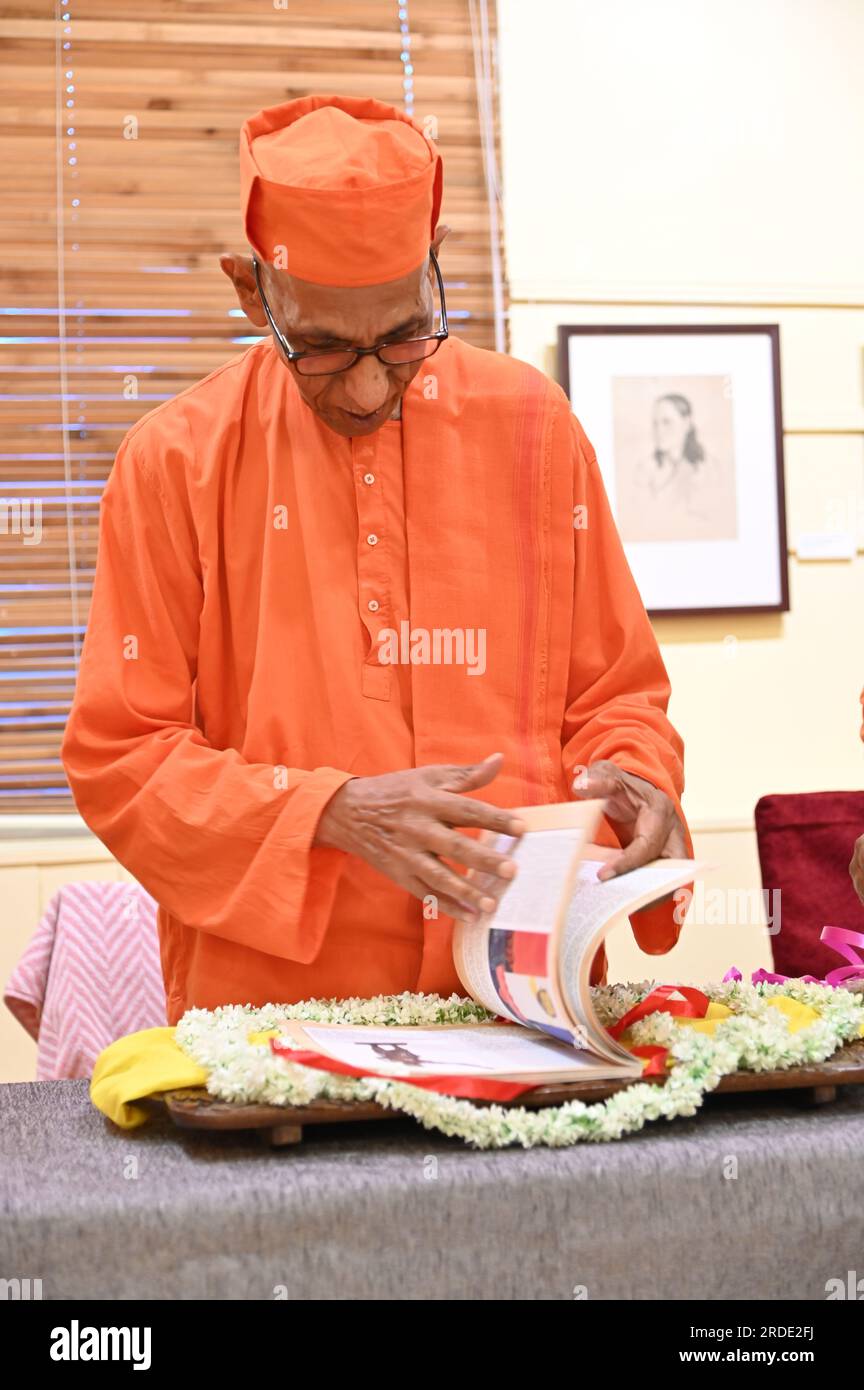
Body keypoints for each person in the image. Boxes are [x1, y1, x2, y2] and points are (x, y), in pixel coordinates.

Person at [61, 94, 691, 1025]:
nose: (366, 387)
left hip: (526, 987)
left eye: (399, 338)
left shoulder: (532, 426)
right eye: (321, 348)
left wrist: (640, 783)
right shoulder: (175, 461)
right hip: (281, 1012)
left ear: (432, 274)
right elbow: (122, 755)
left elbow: (616, 698)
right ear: (252, 291)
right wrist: (328, 811)